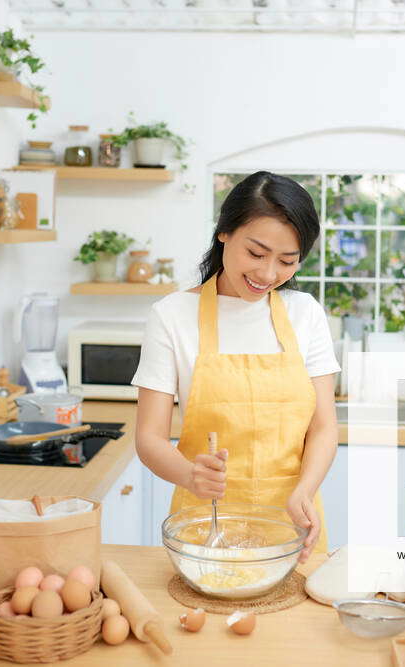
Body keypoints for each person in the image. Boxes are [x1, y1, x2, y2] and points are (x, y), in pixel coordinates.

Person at [132, 171, 340, 562]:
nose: (267, 275)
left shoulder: (305, 314)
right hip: (204, 524)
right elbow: (150, 438)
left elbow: (324, 425)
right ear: (224, 231)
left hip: (291, 524)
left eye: (287, 261)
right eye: (256, 254)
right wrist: (190, 475)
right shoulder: (172, 315)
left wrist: (305, 490)